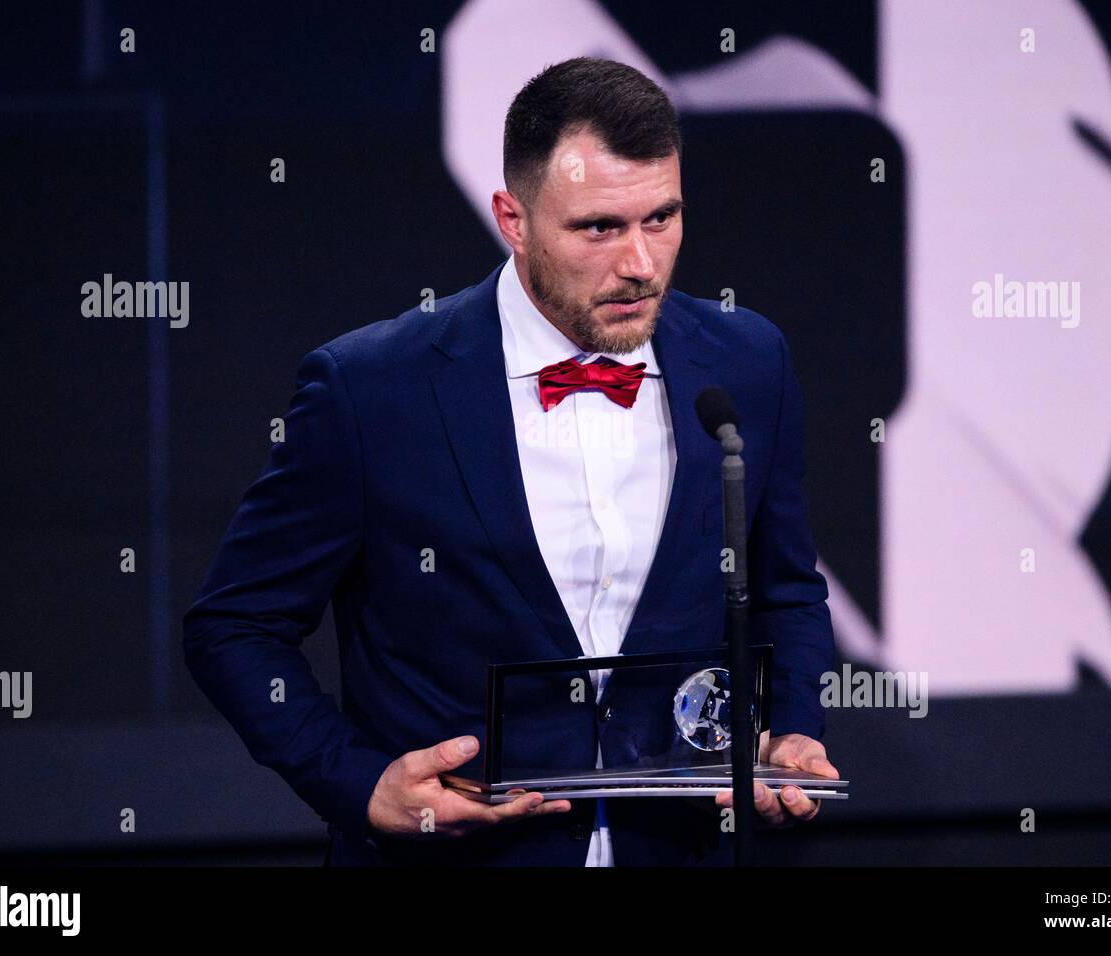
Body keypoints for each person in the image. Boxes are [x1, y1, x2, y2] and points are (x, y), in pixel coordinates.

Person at [183, 56, 837, 867]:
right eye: (599, 228)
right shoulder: (371, 390)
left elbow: (786, 593)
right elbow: (234, 625)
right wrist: (359, 784)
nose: (640, 263)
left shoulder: (747, 362)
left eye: (661, 218)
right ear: (513, 218)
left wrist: (796, 730)